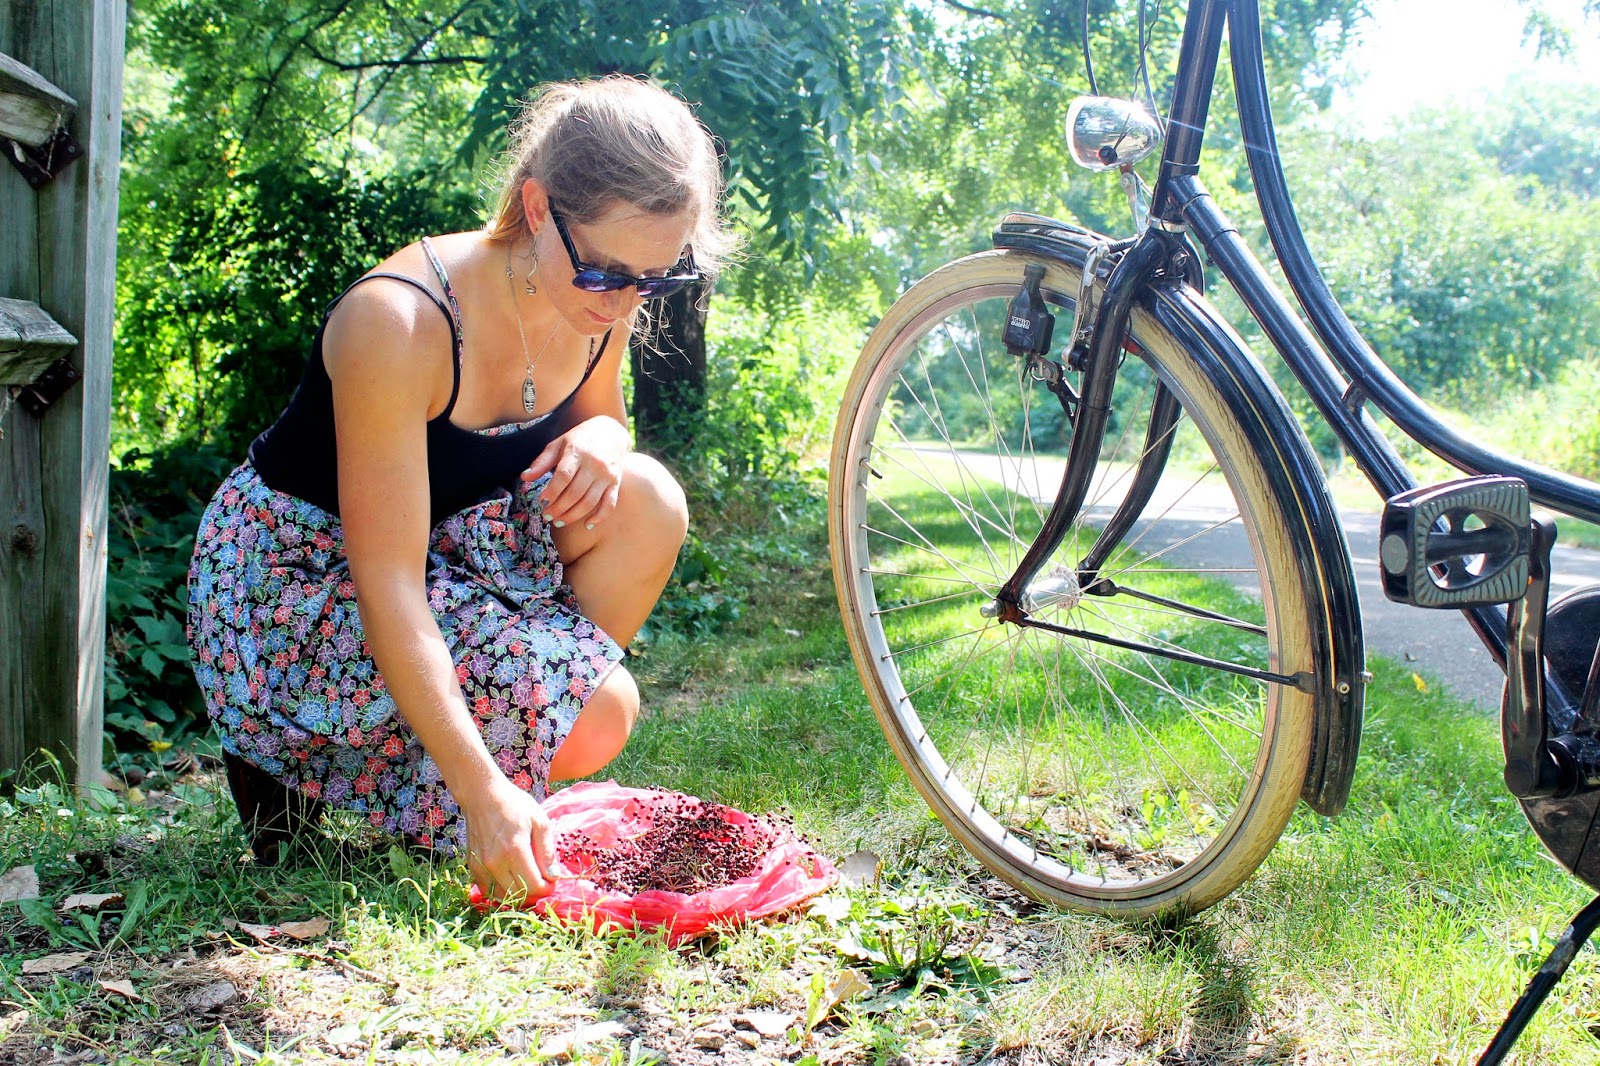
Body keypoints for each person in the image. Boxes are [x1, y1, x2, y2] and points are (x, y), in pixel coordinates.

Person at [186, 75, 736, 903]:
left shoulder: (606, 290)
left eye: (656, 280)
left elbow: (608, 417)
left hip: (456, 544)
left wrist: (601, 436)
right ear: (539, 206)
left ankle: (468, 780)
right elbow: (390, 584)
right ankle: (343, 767)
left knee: (649, 499)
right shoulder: (397, 322)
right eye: (608, 275)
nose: (626, 301)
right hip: (300, 580)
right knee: (600, 710)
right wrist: (482, 788)